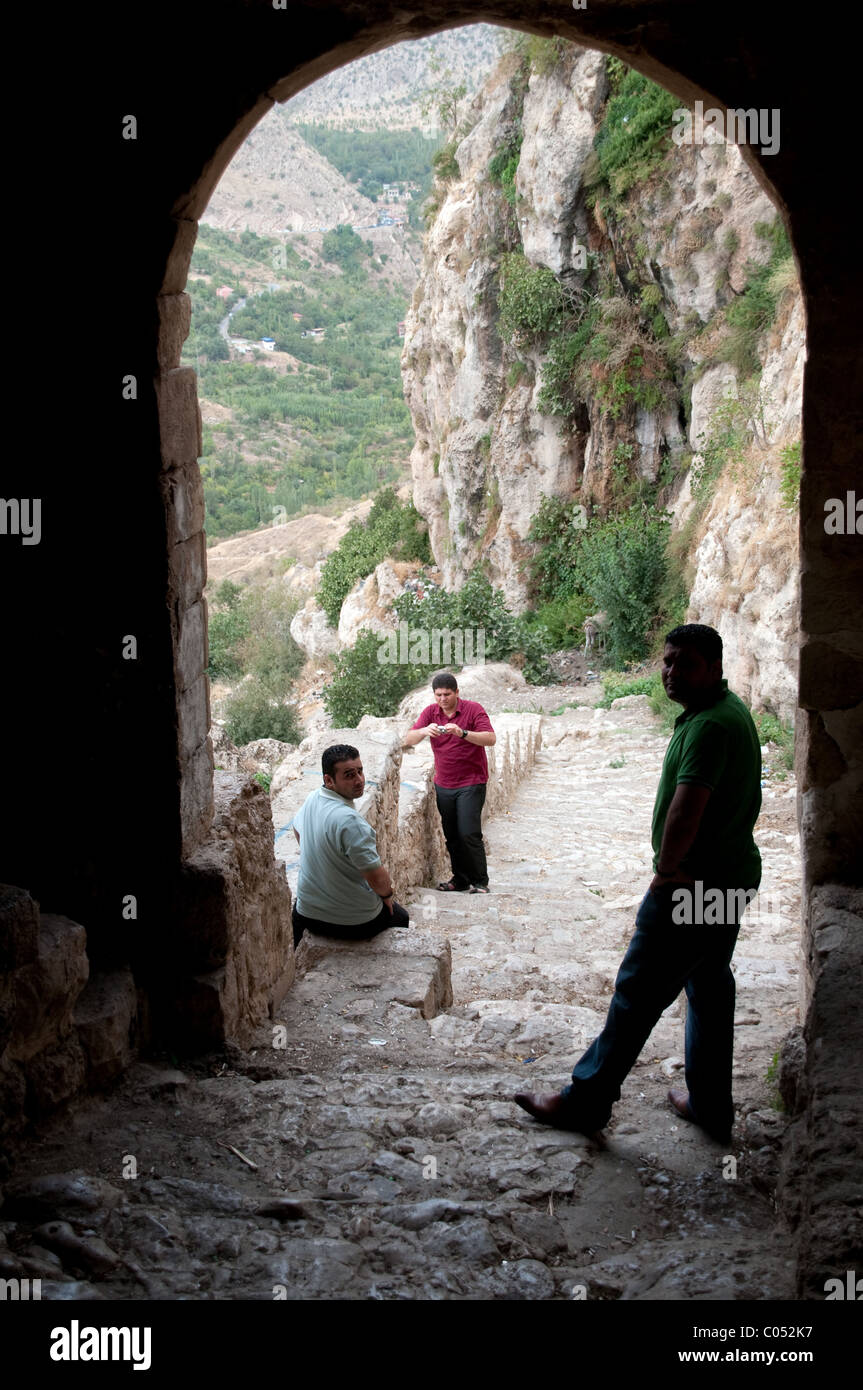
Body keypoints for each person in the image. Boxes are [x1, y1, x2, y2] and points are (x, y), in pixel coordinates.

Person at [515, 624, 762, 1145]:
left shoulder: (709, 728)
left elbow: (686, 809)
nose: (671, 673)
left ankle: (586, 1101)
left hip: (690, 889)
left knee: (636, 995)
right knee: (709, 989)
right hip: (730, 881)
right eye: (668, 662)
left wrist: (666, 873)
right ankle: (712, 1105)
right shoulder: (725, 712)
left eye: (685, 664)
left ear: (714, 667)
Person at [291, 743, 409, 950]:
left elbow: (297, 829)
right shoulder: (350, 822)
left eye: (360, 771)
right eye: (349, 775)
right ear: (329, 780)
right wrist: (388, 896)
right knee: (400, 916)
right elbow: (378, 878)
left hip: (305, 913)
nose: (359, 780)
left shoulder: (313, 798)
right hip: (351, 921)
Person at [403, 672, 497, 894]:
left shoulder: (473, 709)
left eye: (447, 694)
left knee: (468, 832)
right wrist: (425, 730)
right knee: (452, 834)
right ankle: (461, 879)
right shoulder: (430, 712)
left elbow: (490, 738)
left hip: (472, 781)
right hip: (444, 783)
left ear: (457, 693)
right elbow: (408, 739)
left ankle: (480, 881)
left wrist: (462, 733)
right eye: (438, 695)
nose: (443, 699)